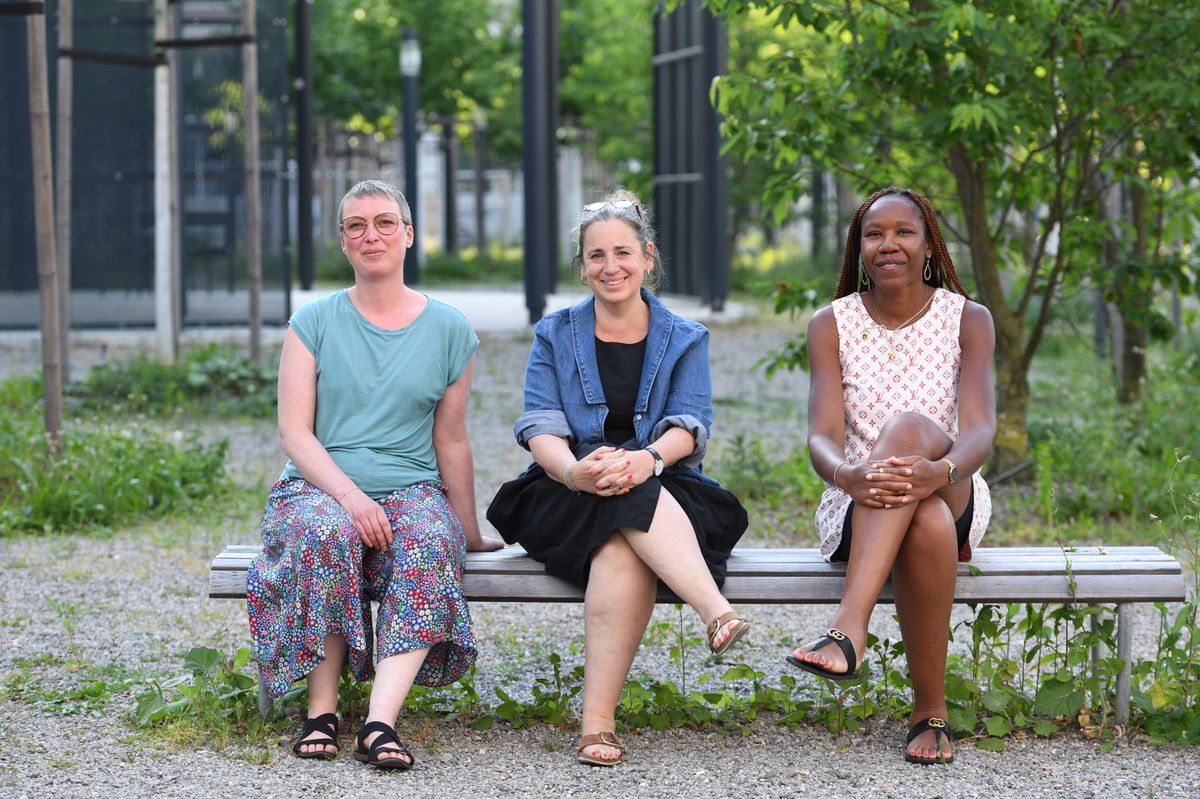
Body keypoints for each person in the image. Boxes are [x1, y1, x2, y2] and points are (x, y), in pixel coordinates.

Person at [246, 179, 504, 770]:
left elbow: (452, 438)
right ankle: (322, 710)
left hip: (411, 486)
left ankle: (381, 722)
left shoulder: (450, 330)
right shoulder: (312, 322)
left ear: (409, 235)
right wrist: (353, 498)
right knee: (324, 534)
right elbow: (295, 433)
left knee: (428, 541)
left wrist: (466, 529)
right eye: (356, 225)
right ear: (343, 242)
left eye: (385, 222)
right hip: (317, 486)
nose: (372, 235)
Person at [487, 191, 751, 767]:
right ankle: (716, 612)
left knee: (621, 537)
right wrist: (576, 472)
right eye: (596, 256)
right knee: (619, 504)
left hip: (663, 482)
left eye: (623, 253)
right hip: (565, 488)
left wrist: (648, 460)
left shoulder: (685, 335)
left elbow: (690, 424)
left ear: (648, 257)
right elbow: (539, 424)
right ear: (581, 266)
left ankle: (596, 725)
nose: (611, 267)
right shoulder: (555, 333)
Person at [787, 187, 995, 765]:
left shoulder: (968, 318)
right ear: (859, 247)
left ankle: (849, 627)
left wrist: (940, 471)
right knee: (924, 523)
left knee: (910, 431)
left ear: (928, 243)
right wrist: (847, 475)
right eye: (875, 234)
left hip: (950, 481)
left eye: (904, 232)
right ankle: (931, 710)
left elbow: (979, 429)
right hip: (858, 497)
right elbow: (821, 436)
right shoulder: (831, 323)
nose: (889, 244)